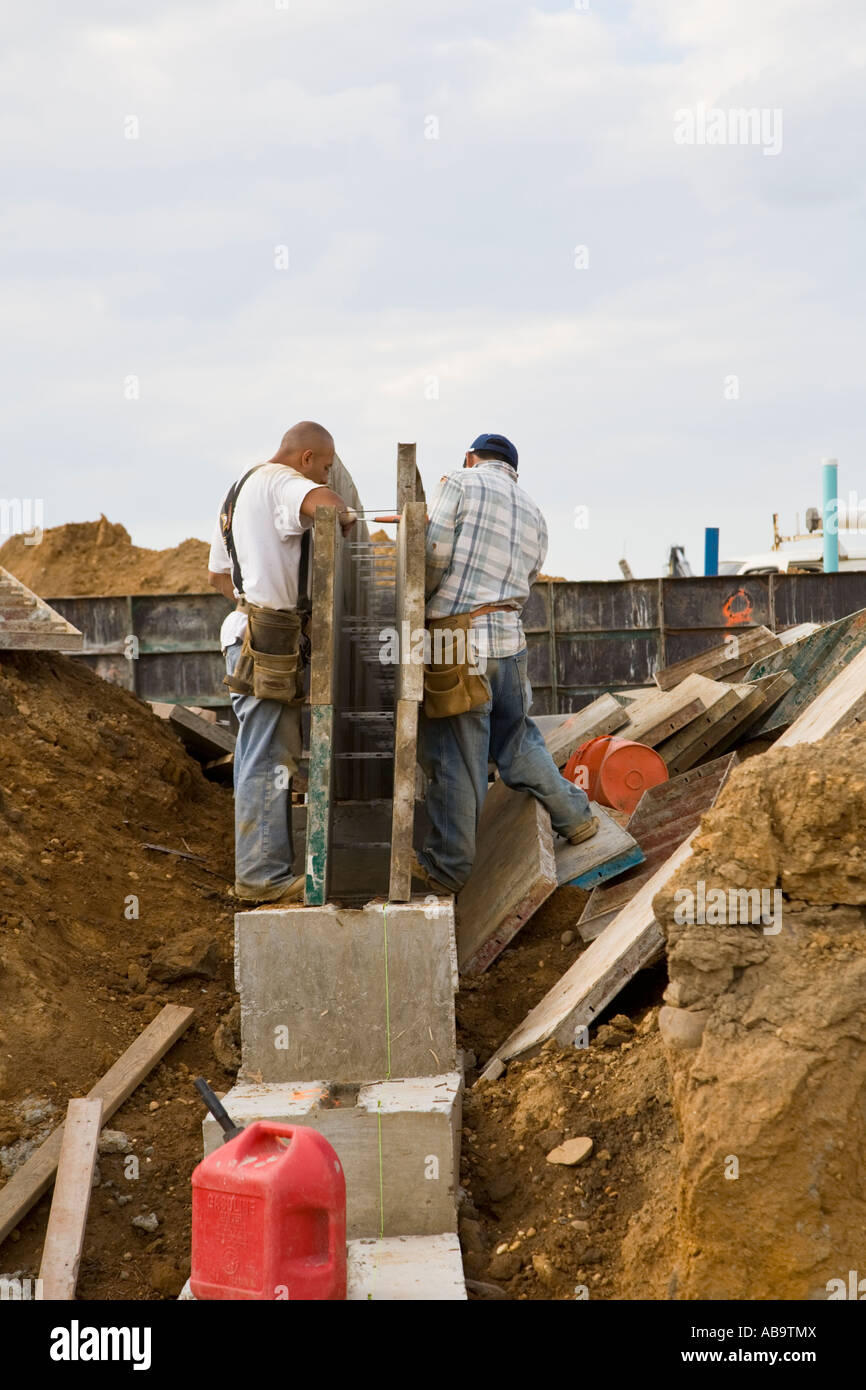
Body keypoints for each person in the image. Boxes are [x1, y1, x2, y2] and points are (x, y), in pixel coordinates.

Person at [413, 432, 597, 895]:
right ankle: (576, 817)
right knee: (516, 738)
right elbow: (530, 577)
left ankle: (449, 871)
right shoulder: (534, 511)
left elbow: (432, 556)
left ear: (471, 457)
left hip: (458, 641)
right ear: (513, 469)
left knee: (456, 758)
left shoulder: (458, 480)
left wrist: (416, 606)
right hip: (510, 640)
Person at [208, 421, 355, 905]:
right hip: (265, 642)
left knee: (263, 752)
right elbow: (329, 508)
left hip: (245, 634)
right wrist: (348, 514)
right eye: (326, 468)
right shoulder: (281, 481)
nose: (326, 478)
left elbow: (216, 575)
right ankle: (261, 877)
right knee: (267, 757)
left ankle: (263, 871)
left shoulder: (236, 492)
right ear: (307, 457)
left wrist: (251, 604)